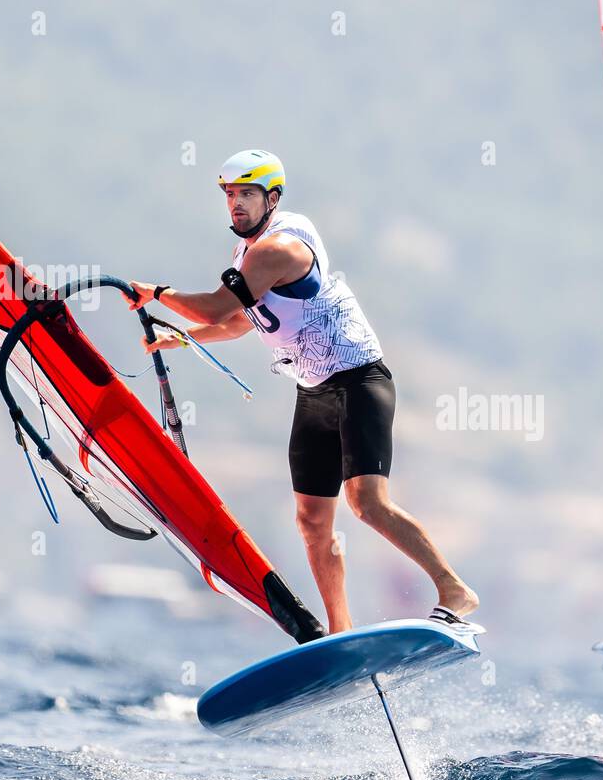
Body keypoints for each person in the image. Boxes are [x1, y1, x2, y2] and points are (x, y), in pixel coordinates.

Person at [122, 149, 478, 635]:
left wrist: (157, 293)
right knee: (312, 521)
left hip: (358, 382)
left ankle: (454, 589)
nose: (235, 205)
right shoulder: (248, 254)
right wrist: (179, 338)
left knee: (367, 504)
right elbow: (234, 325)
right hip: (313, 393)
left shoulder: (278, 249)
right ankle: (340, 631)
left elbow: (213, 308)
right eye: (229, 195)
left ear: (272, 197)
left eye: (246, 194)